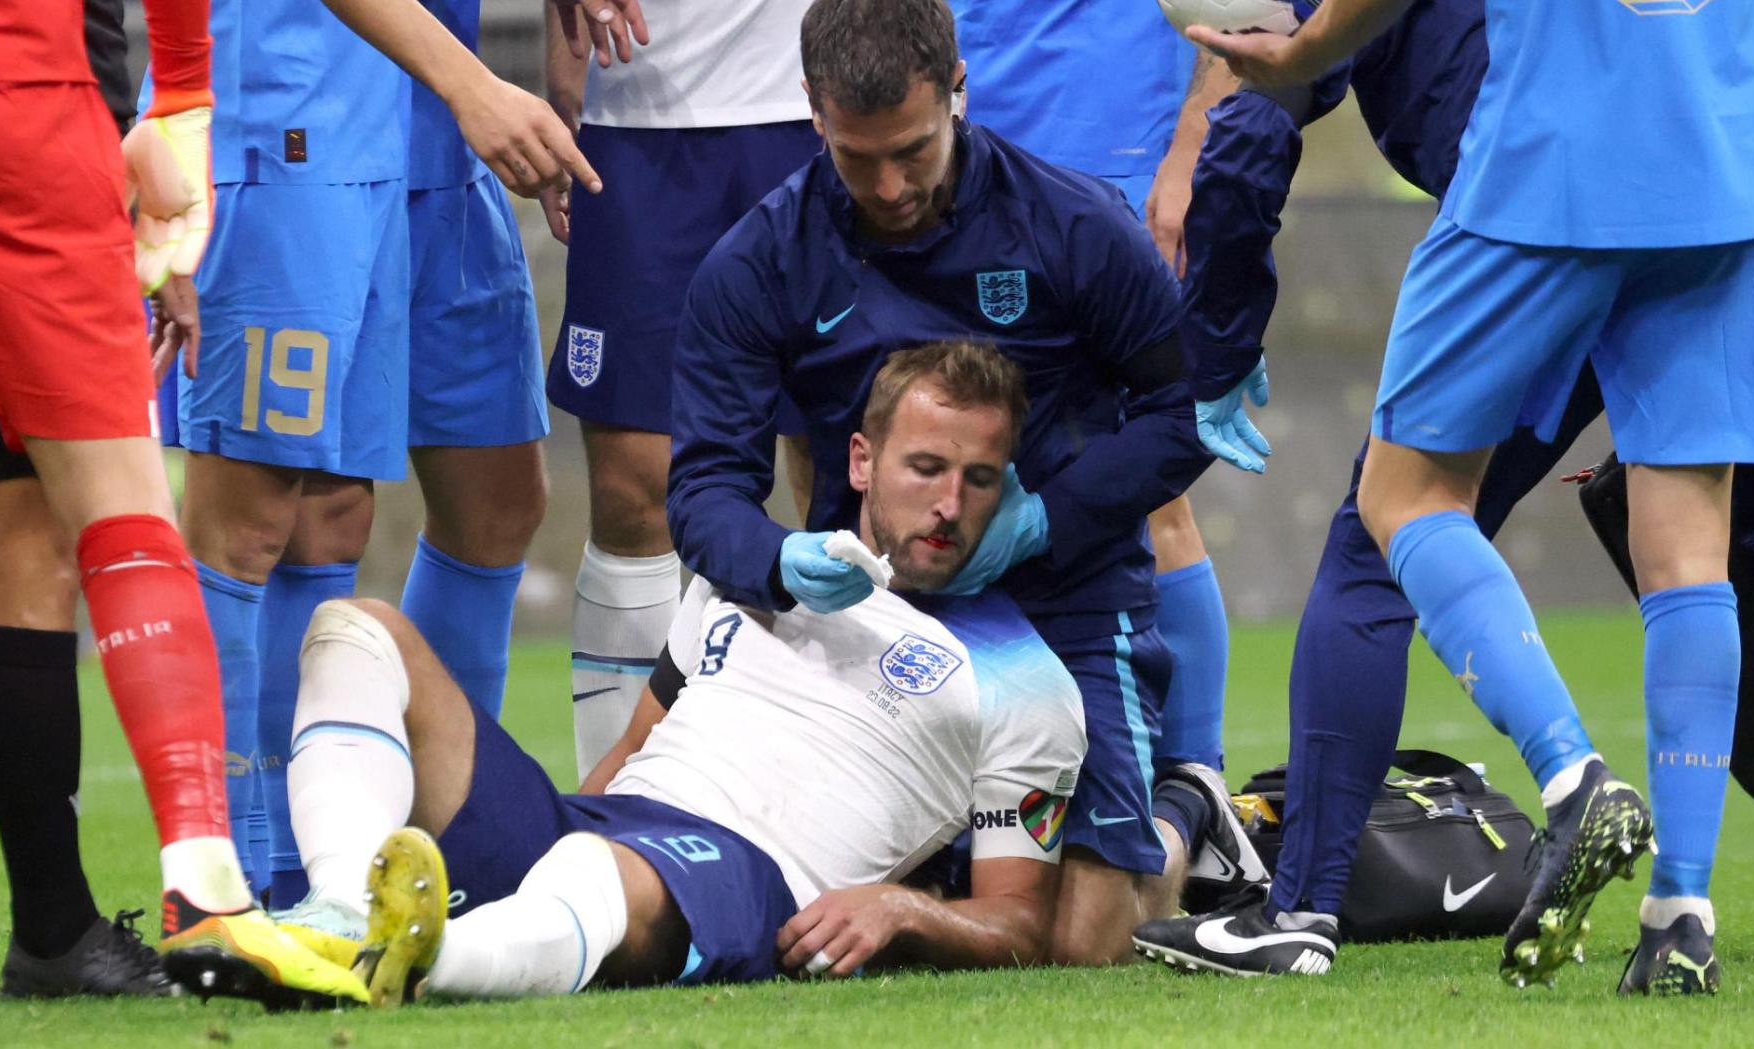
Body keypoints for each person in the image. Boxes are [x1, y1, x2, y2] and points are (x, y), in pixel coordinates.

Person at [1190, 0, 1754, 994]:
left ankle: (1569, 776)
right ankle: (1679, 914)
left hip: (1547, 170)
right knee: (1687, 544)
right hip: (1723, 172)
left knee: (1403, 494)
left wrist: (1303, 49)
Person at [667, 0, 1260, 965]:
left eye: (913, 149)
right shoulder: (757, 265)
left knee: (1087, 942)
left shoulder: (1072, 225)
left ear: (958, 92)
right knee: (801, 875)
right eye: (860, 159)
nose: (891, 186)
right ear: (813, 110)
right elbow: (702, 492)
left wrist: (1047, 518)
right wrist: (781, 557)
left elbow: (1184, 408)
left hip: (1064, 588)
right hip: (871, 605)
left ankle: (1188, 799)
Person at [275, 341, 1088, 1004]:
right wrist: (559, 819)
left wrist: (904, 908)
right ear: (863, 461)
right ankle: (343, 911)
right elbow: (635, 744)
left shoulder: (1027, 682)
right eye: (926, 468)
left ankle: (419, 963)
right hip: (607, 823)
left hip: (744, 874)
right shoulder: (758, 569)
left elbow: (1020, 921)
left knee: (594, 871)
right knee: (359, 630)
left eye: (979, 479)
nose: (950, 502)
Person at [0, 0, 368, 1009]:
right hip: (4, 88)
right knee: (124, 513)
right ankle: (208, 892)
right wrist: (183, 108)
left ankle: (54, 929)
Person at [166, 0, 602, 908]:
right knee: (277, 520)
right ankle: (253, 879)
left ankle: (433, 843)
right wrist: (472, 84)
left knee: (498, 496)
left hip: (430, 122)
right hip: (302, 108)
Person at [952, 0, 1236, 876]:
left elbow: (1242, 20)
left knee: (1150, 494)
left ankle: (1199, 784)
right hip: (956, 163)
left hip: (1110, 156)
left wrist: (1192, 157)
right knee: (945, 473)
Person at [542, 0, 821, 779]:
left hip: (820, 98)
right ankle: (615, 819)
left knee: (850, 476)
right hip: (641, 113)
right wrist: (563, 74)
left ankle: (858, 817)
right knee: (636, 494)